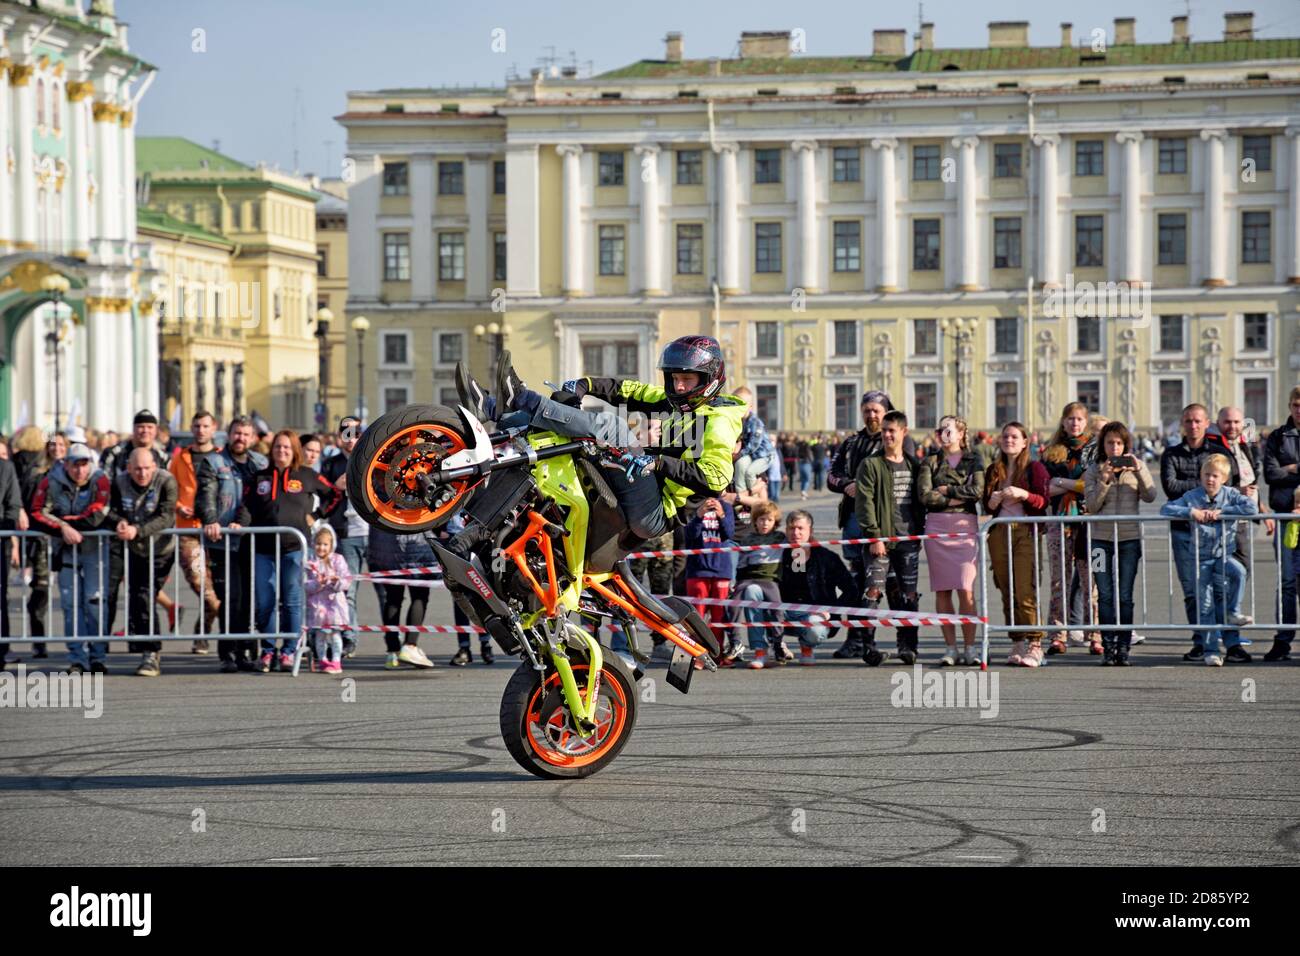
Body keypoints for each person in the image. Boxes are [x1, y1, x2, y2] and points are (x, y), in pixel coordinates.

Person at [476, 336, 746, 549]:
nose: (679, 387)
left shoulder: (719, 420)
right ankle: (495, 413)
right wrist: (584, 384)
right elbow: (629, 390)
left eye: (687, 379)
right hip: (643, 483)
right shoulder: (677, 404)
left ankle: (525, 399)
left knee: (614, 428)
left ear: (709, 380)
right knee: (576, 432)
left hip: (657, 511)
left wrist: (657, 462)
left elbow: (717, 479)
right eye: (675, 379)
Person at [235, 430, 341, 672]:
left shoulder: (307, 475)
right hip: (263, 549)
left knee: (292, 601)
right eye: (277, 447)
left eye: (286, 447)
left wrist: (316, 516)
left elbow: (334, 494)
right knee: (265, 601)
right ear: (271, 450)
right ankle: (268, 650)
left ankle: (288, 651)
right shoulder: (260, 477)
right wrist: (240, 523)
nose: (281, 451)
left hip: (294, 549)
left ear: (294, 450)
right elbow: (247, 507)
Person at [826, 390, 917, 661]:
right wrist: (848, 485)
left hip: (891, 523)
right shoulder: (852, 442)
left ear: (887, 412)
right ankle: (858, 639)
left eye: (876, 410)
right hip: (855, 519)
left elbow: (906, 479)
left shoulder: (900, 440)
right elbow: (832, 475)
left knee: (893, 584)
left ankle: (905, 643)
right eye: (867, 409)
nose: (871, 414)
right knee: (858, 582)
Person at [1160, 455, 1258, 666]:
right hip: (1201, 558)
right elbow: (1165, 509)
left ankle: (1233, 613)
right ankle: (1210, 650)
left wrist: (1222, 512)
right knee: (1205, 605)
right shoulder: (1191, 496)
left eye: (1215, 476)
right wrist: (1191, 512)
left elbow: (1252, 508)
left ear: (1224, 478)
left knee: (1239, 572)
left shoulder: (1231, 494)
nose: (1210, 479)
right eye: (1206, 475)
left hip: (1224, 555)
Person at [1162, 403, 1241, 661]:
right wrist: (1207, 486)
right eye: (1188, 421)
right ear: (1183, 424)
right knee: (1193, 592)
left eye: (1197, 421)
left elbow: (1233, 480)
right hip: (1185, 532)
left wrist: (1197, 491)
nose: (1193, 425)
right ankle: (1202, 641)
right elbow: (1171, 488)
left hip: (1217, 534)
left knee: (1222, 589)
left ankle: (1232, 643)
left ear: (1207, 423)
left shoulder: (1219, 451)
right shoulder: (1171, 453)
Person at [30, 443, 112, 673]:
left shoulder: (100, 479)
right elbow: (36, 512)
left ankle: (98, 657)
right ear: (65, 464)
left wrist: (67, 523)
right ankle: (77, 658)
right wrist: (62, 528)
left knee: (95, 602)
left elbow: (98, 514)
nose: (79, 470)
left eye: (83, 464)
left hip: (95, 551)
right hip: (64, 550)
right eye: (74, 464)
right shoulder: (51, 480)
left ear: (90, 463)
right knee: (70, 605)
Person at [197, 416, 267, 672]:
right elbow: (205, 496)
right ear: (229, 434)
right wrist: (210, 520)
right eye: (237, 433)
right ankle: (228, 652)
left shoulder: (260, 464)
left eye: (246, 434)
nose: (241, 438)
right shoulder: (213, 462)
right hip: (222, 541)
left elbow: (262, 500)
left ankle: (247, 651)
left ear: (252, 438)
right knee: (231, 597)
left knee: (250, 598)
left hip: (252, 541)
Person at [1084, 422, 1158, 666]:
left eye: (1119, 443)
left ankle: (1124, 647)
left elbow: (1150, 495)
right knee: (1104, 595)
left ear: (1126, 445)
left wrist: (1138, 470)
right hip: (1099, 540)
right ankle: (1108, 646)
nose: (1114, 448)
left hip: (1129, 539)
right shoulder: (1094, 470)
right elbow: (1092, 507)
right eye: (1109, 442)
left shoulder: (1137, 467)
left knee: (1125, 595)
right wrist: (1104, 480)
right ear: (1103, 445)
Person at [855, 410, 924, 664]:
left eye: (891, 430)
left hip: (908, 541)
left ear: (904, 432)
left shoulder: (915, 465)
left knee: (907, 595)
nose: (886, 435)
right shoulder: (871, 464)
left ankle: (908, 645)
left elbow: (922, 501)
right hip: (880, 541)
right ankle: (868, 646)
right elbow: (864, 504)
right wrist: (874, 537)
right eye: (884, 430)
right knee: (872, 591)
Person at [982, 422, 1052, 667]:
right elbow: (986, 508)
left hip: (1025, 531)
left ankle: (1035, 644)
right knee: (1006, 588)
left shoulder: (1035, 468)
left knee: (1025, 589)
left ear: (1024, 442)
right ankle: (1017, 641)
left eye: (1014, 437)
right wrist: (992, 500)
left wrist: (1023, 495)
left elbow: (1043, 502)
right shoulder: (994, 470)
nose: (1008, 440)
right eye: (1005, 436)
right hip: (999, 532)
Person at [105, 448, 178, 677]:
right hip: (135, 549)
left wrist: (138, 530)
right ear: (128, 467)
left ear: (154, 467)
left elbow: (167, 516)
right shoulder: (119, 481)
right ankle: (143, 644)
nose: (142, 473)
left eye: (147, 468)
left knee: (145, 593)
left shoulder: (166, 480)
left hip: (161, 549)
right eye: (137, 469)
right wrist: (120, 523)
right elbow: (112, 511)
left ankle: (151, 652)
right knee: (137, 597)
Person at [917, 415, 983, 666]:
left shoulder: (974, 459)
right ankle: (951, 648)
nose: (944, 433)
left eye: (949, 429)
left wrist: (946, 491)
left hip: (964, 527)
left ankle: (970, 647)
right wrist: (956, 497)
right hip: (937, 526)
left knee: (966, 589)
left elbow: (977, 491)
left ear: (961, 433)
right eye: (940, 429)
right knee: (943, 589)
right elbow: (924, 496)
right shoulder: (930, 461)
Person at [1041, 402, 1098, 655]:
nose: (1075, 423)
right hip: (1059, 522)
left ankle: (1095, 633)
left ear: (1086, 422)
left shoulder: (1095, 451)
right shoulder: (1052, 452)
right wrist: (1076, 483)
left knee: (1091, 581)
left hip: (1088, 522)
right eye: (1070, 419)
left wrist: (1062, 481)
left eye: (1079, 419)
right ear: (1063, 422)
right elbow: (1044, 489)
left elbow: (1092, 485)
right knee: (1058, 581)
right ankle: (1058, 634)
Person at [169, 411, 222, 653]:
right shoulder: (181, 458)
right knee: (202, 585)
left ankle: (203, 633)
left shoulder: (222, 457)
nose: (201, 430)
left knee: (218, 586)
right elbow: (169, 490)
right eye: (197, 426)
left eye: (205, 426)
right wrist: (179, 506)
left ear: (214, 428)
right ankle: (217, 631)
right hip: (188, 530)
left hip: (215, 531)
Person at [777, 510, 858, 665]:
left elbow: (851, 589)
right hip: (785, 611)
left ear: (811, 531)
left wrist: (831, 611)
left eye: (801, 528)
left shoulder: (826, 557)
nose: (796, 533)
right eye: (791, 528)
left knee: (816, 631)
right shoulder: (778, 555)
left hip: (815, 614)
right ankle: (777, 644)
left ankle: (806, 646)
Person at [319, 416, 365, 659]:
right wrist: (335, 487)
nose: (351, 440)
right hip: (347, 532)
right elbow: (322, 497)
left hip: (374, 530)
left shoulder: (370, 457)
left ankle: (395, 640)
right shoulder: (331, 463)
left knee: (388, 592)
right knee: (349, 590)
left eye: (356, 434)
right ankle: (350, 637)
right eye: (346, 434)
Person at [1261, 386, 1300, 662]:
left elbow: (1280, 472)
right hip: (1286, 517)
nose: (1299, 409)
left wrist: (1289, 468)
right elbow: (1270, 474)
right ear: (1289, 406)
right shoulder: (1277, 436)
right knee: (1286, 581)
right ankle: (1283, 639)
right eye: (1296, 404)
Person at [367, 527, 438, 669]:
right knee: (419, 596)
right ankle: (410, 646)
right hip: (417, 546)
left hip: (386, 546)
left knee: (393, 599)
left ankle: (392, 652)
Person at [735, 501, 792, 669]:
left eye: (769, 520)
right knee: (735, 606)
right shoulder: (748, 539)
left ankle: (778, 643)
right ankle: (754, 647)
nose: (765, 523)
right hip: (749, 579)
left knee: (777, 611)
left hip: (770, 580)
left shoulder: (779, 538)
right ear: (755, 521)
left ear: (775, 522)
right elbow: (741, 562)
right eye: (761, 519)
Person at [683, 496, 736, 662]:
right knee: (696, 616)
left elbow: (729, 534)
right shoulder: (691, 504)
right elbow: (688, 535)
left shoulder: (726, 507)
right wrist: (699, 515)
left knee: (719, 616)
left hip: (721, 568)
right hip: (698, 569)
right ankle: (697, 655)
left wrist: (721, 515)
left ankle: (716, 654)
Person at [305, 524, 352, 674]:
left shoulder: (338, 560)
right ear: (314, 544)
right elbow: (306, 585)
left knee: (335, 634)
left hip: (335, 606)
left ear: (332, 545)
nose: (321, 548)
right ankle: (323, 660)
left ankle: (336, 660)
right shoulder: (310, 563)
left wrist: (335, 582)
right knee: (320, 635)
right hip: (317, 606)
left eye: (325, 544)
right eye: (318, 544)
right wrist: (318, 583)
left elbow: (346, 581)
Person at [0, 450, 26, 666]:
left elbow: (13, 504)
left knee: (0, 595)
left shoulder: (6, 468)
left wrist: (6, 535)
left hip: (0, 539)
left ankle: (2, 648)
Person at [730, 386, 774, 496]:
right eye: (735, 404)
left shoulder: (755, 422)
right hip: (751, 456)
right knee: (741, 467)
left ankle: (753, 497)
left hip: (764, 455)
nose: (738, 408)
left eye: (742, 404)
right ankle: (741, 497)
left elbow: (753, 444)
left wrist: (739, 454)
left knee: (750, 472)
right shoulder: (738, 421)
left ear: (750, 406)